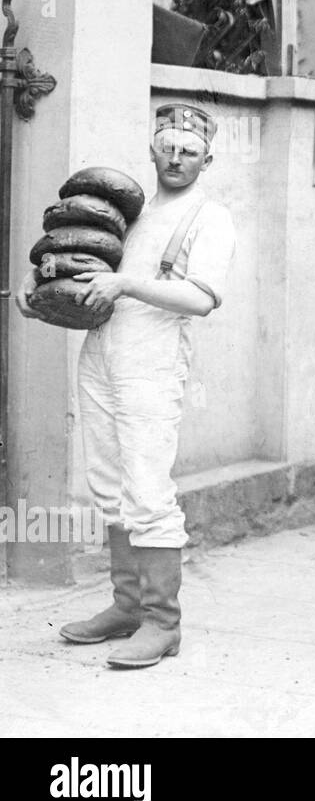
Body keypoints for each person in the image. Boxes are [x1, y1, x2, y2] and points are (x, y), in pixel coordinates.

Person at [16, 102, 236, 669]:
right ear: (153, 149)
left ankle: (163, 623)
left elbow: (202, 298)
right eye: (168, 147)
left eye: (189, 152)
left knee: (147, 489)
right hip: (102, 352)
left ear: (207, 158)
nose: (176, 158)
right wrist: (36, 284)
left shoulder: (209, 218)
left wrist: (126, 284)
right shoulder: (128, 212)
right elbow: (76, 257)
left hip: (153, 362)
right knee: (107, 484)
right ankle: (126, 606)